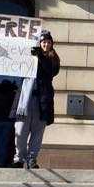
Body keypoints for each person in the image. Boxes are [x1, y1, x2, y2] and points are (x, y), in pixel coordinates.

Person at [12, 30, 61, 169]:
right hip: (25, 99)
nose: (46, 44)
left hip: (42, 101)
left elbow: (51, 71)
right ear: (40, 43)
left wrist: (40, 56)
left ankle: (32, 158)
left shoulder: (53, 58)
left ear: (52, 45)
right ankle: (19, 157)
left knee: (37, 132)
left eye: (49, 42)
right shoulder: (30, 55)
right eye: (44, 42)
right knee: (20, 130)